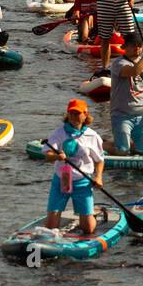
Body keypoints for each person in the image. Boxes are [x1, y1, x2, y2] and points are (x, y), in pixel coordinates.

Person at [42, 98, 106, 234]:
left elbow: (99, 161)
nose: (74, 117)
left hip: (82, 182)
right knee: (51, 227)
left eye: (77, 113)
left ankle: (94, 214)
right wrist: (56, 156)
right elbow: (48, 155)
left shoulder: (92, 136)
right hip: (61, 180)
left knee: (88, 229)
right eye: (71, 113)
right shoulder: (58, 133)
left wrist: (98, 177)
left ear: (85, 115)